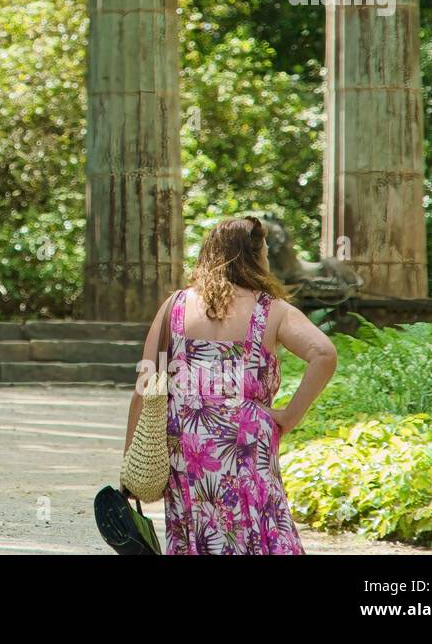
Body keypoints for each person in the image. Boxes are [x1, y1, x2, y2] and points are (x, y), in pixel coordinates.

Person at [124, 216, 337, 554]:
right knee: (257, 526)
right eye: (264, 252)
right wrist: (288, 417)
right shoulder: (272, 311)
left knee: (198, 533)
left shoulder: (176, 306)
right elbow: (323, 353)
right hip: (247, 441)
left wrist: (130, 464)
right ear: (254, 258)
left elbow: (145, 384)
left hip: (186, 444)